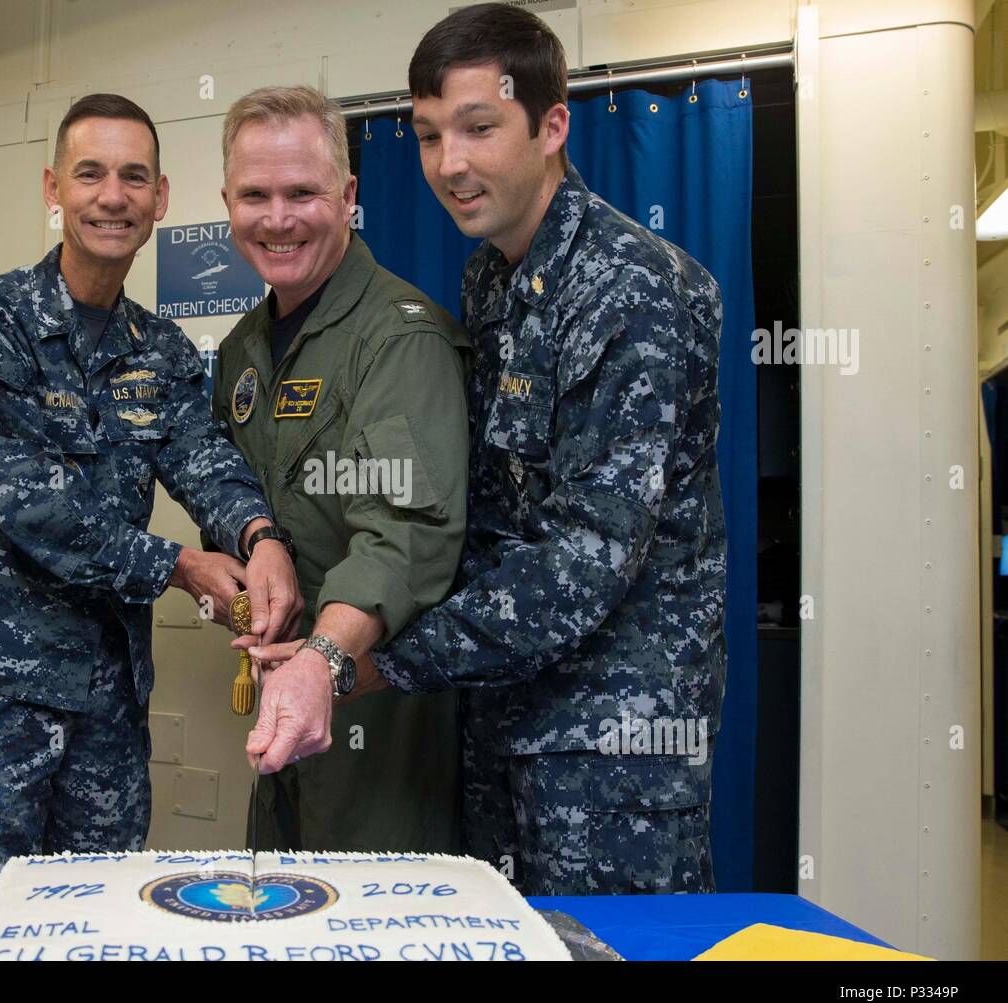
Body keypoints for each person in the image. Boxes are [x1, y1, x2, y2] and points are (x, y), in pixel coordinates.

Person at [249, 3, 727, 896]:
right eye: (430, 135)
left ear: (553, 126)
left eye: (479, 128)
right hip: (497, 719)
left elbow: (585, 559)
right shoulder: (492, 278)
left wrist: (369, 661)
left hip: (608, 748)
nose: (450, 164)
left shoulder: (634, 288)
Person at [0, 93, 301, 895]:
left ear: (160, 198)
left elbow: (203, 459)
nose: (112, 197)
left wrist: (259, 536)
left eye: (133, 177)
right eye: (90, 175)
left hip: (107, 704)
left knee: (98, 912)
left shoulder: (162, 349)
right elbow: (30, 505)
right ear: (54, 188)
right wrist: (182, 566)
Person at [217, 86, 471, 851]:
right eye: (255, 195)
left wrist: (323, 658)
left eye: (302, 193)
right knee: (278, 900)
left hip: (379, 716)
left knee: (371, 906)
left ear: (348, 196)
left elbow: (404, 534)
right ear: (227, 203)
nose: (278, 219)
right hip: (282, 708)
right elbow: (236, 491)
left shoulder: (399, 340)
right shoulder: (240, 352)